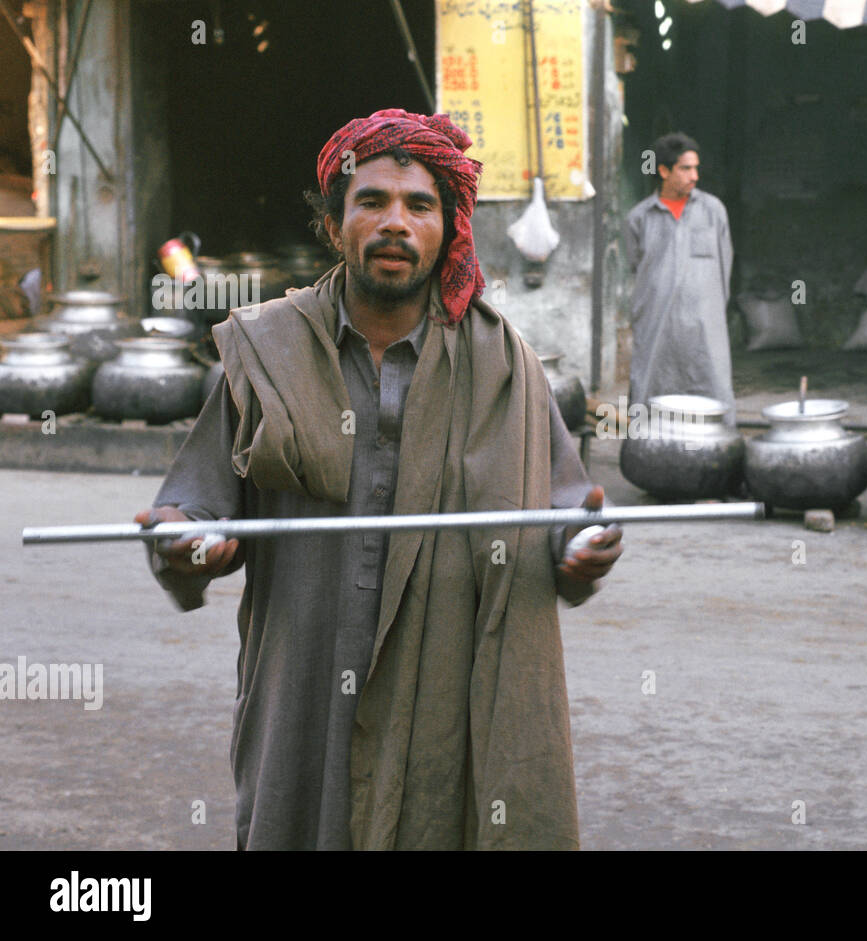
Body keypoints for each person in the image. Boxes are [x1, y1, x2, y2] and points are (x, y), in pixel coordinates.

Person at [134, 110, 622, 851]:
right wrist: (185, 539)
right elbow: (195, 503)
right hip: (306, 698)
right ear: (335, 225)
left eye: (419, 205)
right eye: (371, 202)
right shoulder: (264, 351)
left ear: (449, 228)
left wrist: (580, 544)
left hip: (450, 703)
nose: (396, 222)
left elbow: (562, 514)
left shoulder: (505, 366)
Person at [624, 132, 736, 424]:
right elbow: (635, 269)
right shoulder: (640, 218)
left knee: (712, 385)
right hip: (657, 323)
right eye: (686, 168)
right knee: (652, 385)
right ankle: (647, 450)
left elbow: (725, 267)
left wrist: (712, 310)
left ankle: (720, 449)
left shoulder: (714, 211)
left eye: (696, 168)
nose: (694, 176)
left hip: (705, 323)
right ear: (663, 171)